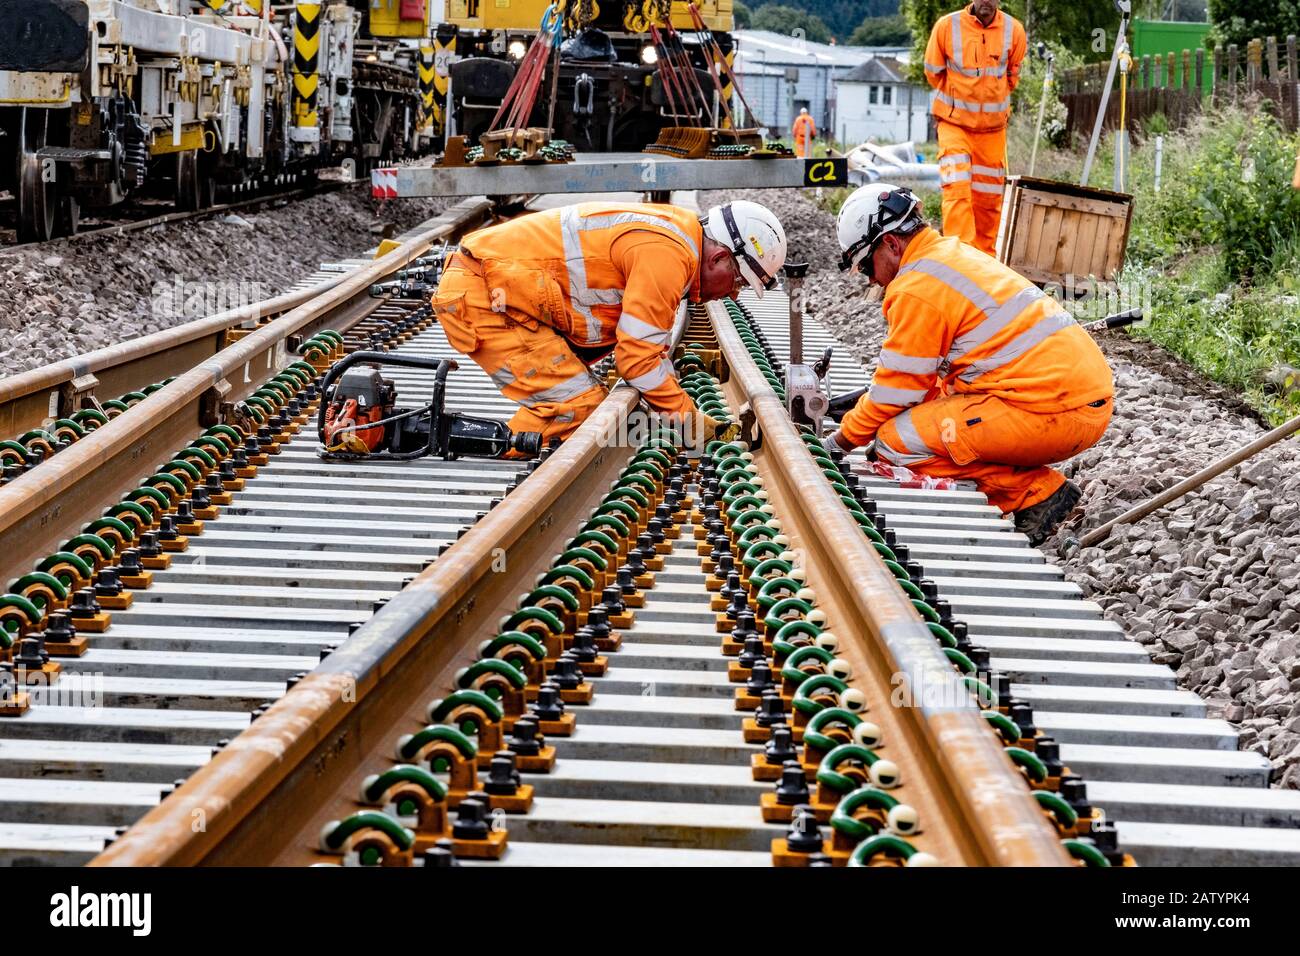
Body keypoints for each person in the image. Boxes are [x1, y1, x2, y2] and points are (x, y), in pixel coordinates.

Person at [824, 183, 1113, 544]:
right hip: (1069, 400)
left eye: (866, 265)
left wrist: (841, 441)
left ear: (892, 245)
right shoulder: (948, 254)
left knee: (894, 443)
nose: (870, 279)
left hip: (1055, 411)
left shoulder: (917, 287)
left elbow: (897, 392)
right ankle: (1028, 487)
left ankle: (1035, 493)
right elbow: (927, 383)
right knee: (923, 424)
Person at [431, 199, 787, 447]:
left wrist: (668, 398)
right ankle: (460, 440)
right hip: (486, 297)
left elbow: (646, 342)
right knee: (580, 407)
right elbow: (635, 359)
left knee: (587, 405)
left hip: (506, 295)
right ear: (721, 257)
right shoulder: (669, 256)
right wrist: (689, 421)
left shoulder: (678, 238)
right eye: (740, 281)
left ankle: (492, 439)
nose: (735, 295)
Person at [924, 0, 1026, 255]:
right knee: (956, 190)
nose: (986, 1)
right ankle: (960, 258)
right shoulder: (946, 27)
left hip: (992, 132)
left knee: (988, 200)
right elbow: (933, 72)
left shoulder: (1014, 31)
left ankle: (983, 261)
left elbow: (1013, 76)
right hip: (954, 124)